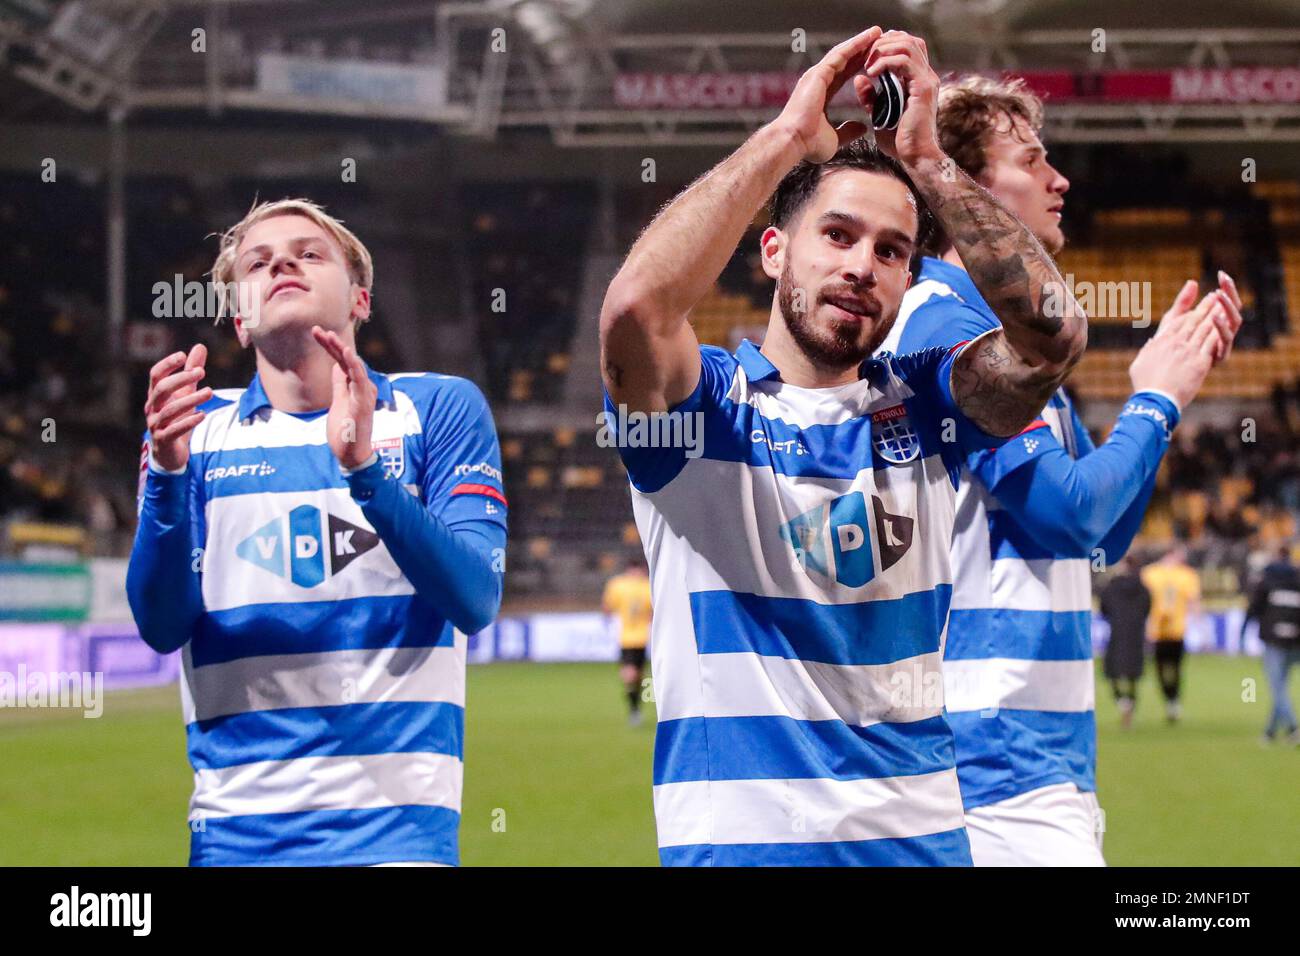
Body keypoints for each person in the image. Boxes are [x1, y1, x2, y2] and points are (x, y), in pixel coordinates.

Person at [600, 27, 1091, 866]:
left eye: (891, 250)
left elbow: (1052, 336)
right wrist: (790, 139)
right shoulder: (703, 413)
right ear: (773, 250)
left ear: (909, 280)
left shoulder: (929, 403)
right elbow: (636, 314)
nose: (864, 264)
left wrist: (931, 161)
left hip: (922, 850)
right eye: (836, 235)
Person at [878, 75, 1241, 865]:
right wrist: (1153, 407)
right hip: (993, 750)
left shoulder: (1010, 339)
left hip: (1033, 749)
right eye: (1032, 160)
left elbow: (1100, 536)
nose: (1060, 179)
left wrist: (1159, 398)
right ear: (967, 187)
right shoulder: (947, 322)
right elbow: (1068, 514)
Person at [126, 198, 508, 866]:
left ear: (360, 300)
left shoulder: (436, 408)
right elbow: (161, 627)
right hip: (234, 840)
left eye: (309, 253)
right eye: (259, 261)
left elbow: (475, 600)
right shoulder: (192, 430)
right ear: (240, 322)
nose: (282, 263)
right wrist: (164, 474)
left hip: (398, 839)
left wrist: (366, 472)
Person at [1242, 544, 1300, 745]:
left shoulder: (1266, 581)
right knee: (1280, 687)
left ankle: (1294, 727)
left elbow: (1253, 609)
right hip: (1295, 642)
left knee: (1277, 689)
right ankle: (1270, 732)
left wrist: (1243, 634)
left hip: (1274, 642)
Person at [1142, 544, 1202, 723]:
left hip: (1171, 630)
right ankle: (1172, 700)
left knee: (1170, 668)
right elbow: (1195, 601)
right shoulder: (1155, 574)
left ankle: (1172, 701)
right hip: (1163, 630)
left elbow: (1194, 601)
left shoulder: (1151, 573)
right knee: (1166, 669)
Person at [1100, 556, 1153, 729]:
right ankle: (1130, 703)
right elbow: (1148, 608)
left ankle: (1122, 702)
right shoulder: (1143, 588)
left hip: (1117, 633)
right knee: (1133, 676)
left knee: (1112, 673)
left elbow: (1104, 609)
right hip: (1136, 635)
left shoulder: (1111, 587)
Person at [602, 559, 653, 726]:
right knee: (633, 674)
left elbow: (607, 607)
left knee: (637, 676)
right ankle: (634, 710)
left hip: (636, 638)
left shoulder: (619, 585)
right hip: (633, 638)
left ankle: (635, 709)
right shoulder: (646, 585)